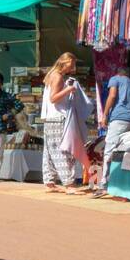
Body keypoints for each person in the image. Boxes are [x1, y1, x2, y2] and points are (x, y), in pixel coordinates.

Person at [41, 52, 83, 193]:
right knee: (63, 151)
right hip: (58, 118)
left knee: (49, 151)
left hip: (50, 119)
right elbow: (54, 98)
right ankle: (68, 184)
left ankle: (49, 182)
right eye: (71, 64)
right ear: (64, 63)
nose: (72, 67)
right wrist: (69, 89)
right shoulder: (58, 76)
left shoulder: (52, 74)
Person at [99, 62, 130, 190]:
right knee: (127, 152)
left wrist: (105, 115)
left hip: (119, 118)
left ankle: (104, 183)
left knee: (110, 150)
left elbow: (112, 95)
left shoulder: (115, 79)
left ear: (118, 73)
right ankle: (123, 184)